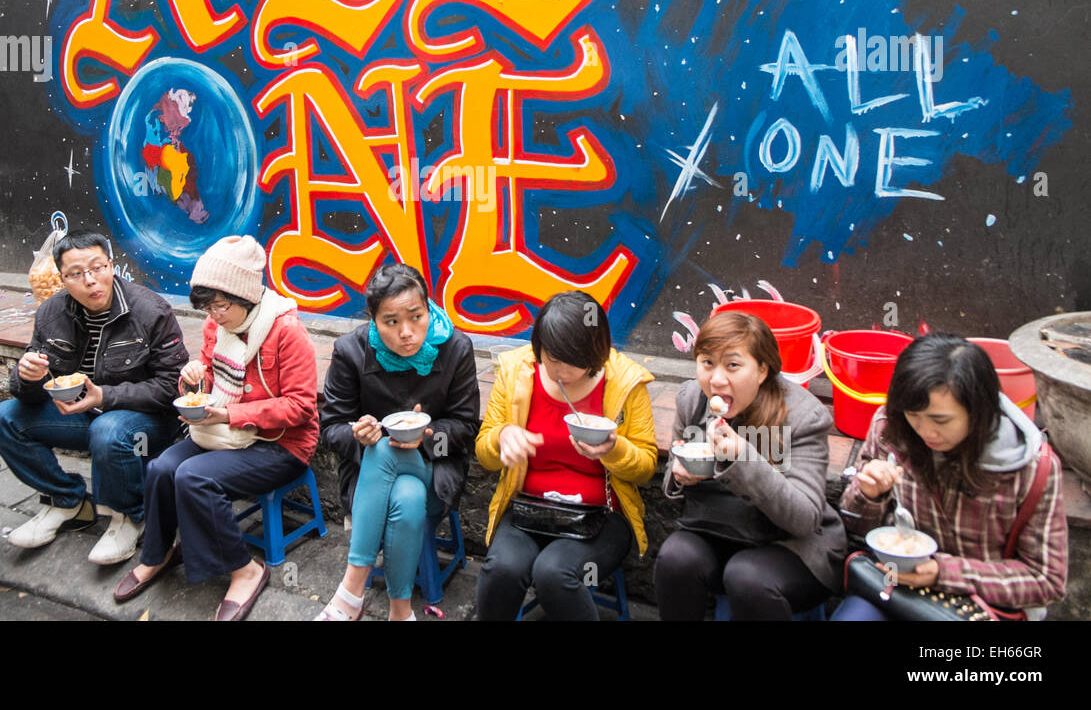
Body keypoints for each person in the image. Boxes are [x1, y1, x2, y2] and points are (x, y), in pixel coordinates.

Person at [110, 235, 319, 621]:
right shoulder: (216, 326)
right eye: (206, 306)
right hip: (222, 432)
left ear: (246, 296)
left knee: (193, 478)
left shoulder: (285, 332)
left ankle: (246, 570)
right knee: (159, 468)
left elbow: (301, 408)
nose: (214, 315)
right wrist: (192, 380)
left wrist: (228, 416)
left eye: (221, 305)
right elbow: (207, 378)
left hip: (280, 443)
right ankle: (159, 554)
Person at [832, 332, 1067, 620]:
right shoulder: (890, 430)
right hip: (894, 588)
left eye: (941, 420)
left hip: (980, 605)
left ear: (978, 410)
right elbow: (853, 530)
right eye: (914, 415)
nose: (926, 431)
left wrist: (944, 573)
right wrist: (867, 494)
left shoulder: (1032, 468)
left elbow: (1046, 580)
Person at [0, 230, 188, 564]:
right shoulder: (51, 312)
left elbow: (171, 388)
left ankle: (129, 516)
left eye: (98, 268)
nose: (91, 281)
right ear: (62, 278)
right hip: (81, 414)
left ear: (111, 266)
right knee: (3, 419)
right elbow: (27, 392)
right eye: (76, 274)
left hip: (146, 422)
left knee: (107, 429)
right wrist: (27, 377)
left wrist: (104, 396)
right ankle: (67, 501)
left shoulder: (151, 311)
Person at [474, 291, 658, 620]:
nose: (560, 370)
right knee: (502, 568)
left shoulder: (626, 383)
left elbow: (644, 467)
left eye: (572, 360)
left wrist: (614, 449)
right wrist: (502, 438)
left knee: (554, 574)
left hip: (600, 517)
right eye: (551, 357)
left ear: (596, 351)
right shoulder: (517, 371)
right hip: (530, 508)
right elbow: (484, 453)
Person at [315, 263, 481, 621]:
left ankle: (350, 592)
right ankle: (400, 613)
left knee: (386, 454)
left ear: (428, 308)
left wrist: (427, 437)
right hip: (367, 477)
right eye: (391, 321)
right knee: (406, 496)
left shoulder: (455, 348)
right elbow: (330, 428)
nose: (407, 332)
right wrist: (358, 434)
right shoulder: (351, 351)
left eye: (416, 316)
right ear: (373, 319)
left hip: (437, 468)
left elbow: (466, 426)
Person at [654, 311, 845, 620]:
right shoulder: (693, 399)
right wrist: (679, 475)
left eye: (733, 365)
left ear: (762, 370)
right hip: (720, 529)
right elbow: (674, 468)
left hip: (791, 544)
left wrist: (743, 458)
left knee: (746, 576)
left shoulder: (801, 415)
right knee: (676, 558)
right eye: (707, 363)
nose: (716, 379)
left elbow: (805, 519)